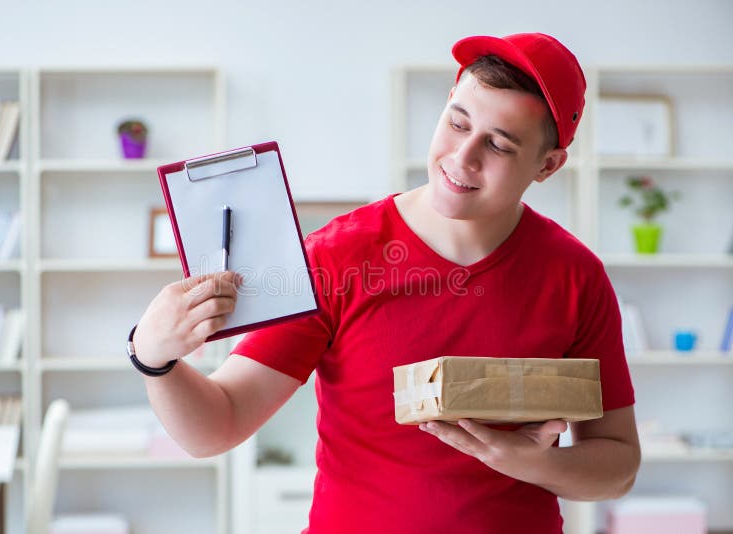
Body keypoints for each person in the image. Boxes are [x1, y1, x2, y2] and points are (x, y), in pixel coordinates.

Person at [131, 32, 640, 533]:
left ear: (547, 165)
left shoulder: (576, 276)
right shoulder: (336, 256)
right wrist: (153, 357)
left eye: (499, 145)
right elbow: (217, 425)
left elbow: (617, 465)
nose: (463, 157)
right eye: (457, 123)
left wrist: (529, 462)